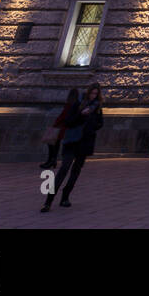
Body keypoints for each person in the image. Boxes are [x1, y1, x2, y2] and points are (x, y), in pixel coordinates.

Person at [42, 82, 102, 211]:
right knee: (64, 169)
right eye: (92, 93)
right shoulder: (78, 104)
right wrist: (81, 114)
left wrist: (91, 127)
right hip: (72, 141)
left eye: (96, 94)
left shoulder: (97, 107)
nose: (93, 96)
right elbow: (68, 121)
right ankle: (48, 200)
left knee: (76, 172)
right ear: (88, 92)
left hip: (85, 142)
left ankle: (65, 197)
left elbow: (100, 123)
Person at [40, 88, 77, 170]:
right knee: (55, 143)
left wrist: (55, 124)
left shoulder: (69, 105)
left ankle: (51, 160)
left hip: (60, 127)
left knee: (52, 143)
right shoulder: (74, 105)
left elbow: (63, 116)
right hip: (64, 127)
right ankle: (52, 160)